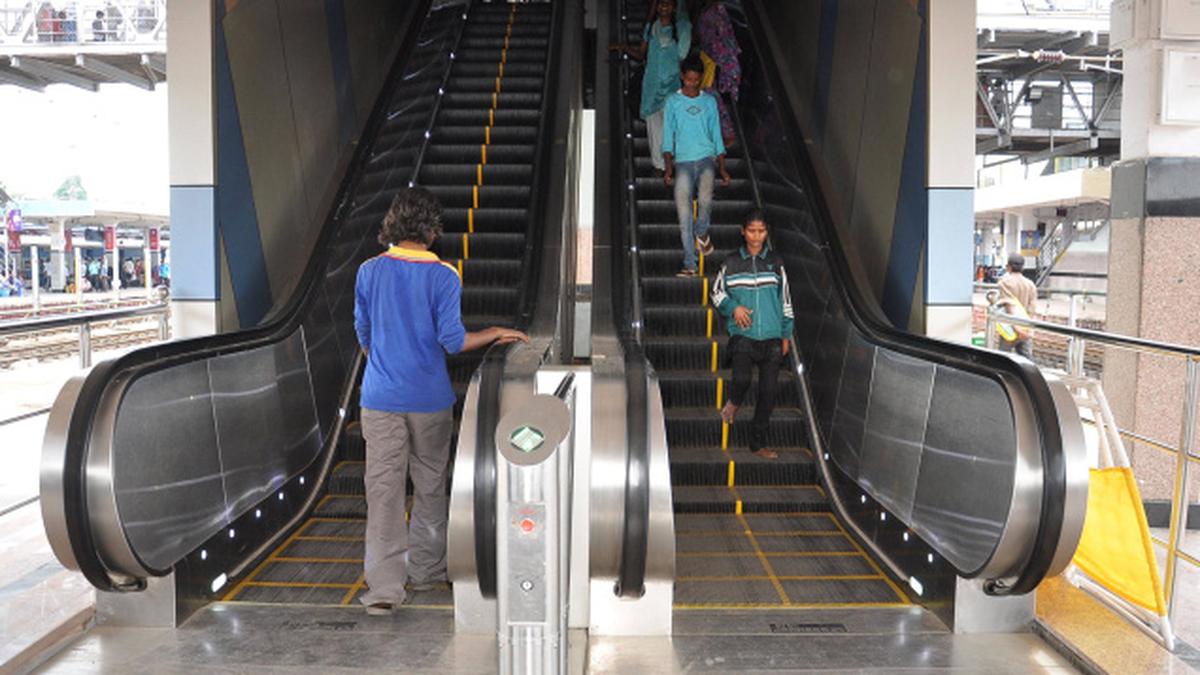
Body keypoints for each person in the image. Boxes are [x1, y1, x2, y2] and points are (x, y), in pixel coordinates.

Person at [354, 188, 529, 615]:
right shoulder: (444, 276)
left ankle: (384, 588)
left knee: (383, 490)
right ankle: (428, 570)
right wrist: (493, 332)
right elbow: (452, 341)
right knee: (430, 483)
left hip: (380, 399)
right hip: (429, 399)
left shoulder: (368, 271)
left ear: (393, 224)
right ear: (432, 228)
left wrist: (385, 363)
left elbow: (364, 335)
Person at [711, 210, 794, 460]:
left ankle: (757, 444)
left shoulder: (776, 263)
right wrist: (733, 307)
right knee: (742, 379)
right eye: (752, 231)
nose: (757, 236)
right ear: (743, 231)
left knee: (768, 393)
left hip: (771, 336)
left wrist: (785, 335)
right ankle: (733, 403)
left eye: (761, 231)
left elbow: (786, 300)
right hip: (743, 335)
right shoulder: (731, 262)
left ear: (767, 232)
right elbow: (716, 293)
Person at [663, 55, 730, 277]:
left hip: (706, 159)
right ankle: (690, 264)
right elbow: (667, 136)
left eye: (696, 80)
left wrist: (722, 167)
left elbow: (716, 135)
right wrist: (668, 167)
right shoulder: (673, 102)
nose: (692, 84)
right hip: (682, 161)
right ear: (682, 77)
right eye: (688, 79)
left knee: (705, 199)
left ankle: (701, 233)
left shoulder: (709, 102)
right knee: (683, 215)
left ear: (701, 79)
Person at [612, 0, 691, 175]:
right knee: (654, 126)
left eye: (668, 4)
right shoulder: (651, 28)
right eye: (661, 4)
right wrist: (624, 47)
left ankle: (673, 162)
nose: (664, 7)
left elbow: (682, 56)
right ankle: (659, 164)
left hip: (671, 84)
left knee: (671, 125)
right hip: (652, 85)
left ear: (674, 8)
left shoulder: (679, 29)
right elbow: (641, 55)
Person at [695, 0, 741, 148]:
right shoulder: (708, 8)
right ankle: (720, 133)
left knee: (711, 94)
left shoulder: (717, 10)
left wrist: (726, 63)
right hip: (709, 58)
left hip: (717, 59)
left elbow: (726, 36)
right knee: (709, 94)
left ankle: (727, 133)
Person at [996, 252, 1037, 359]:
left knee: (1003, 358)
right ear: (1022, 267)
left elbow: (1009, 306)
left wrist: (1017, 329)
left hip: (1010, 327)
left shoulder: (1004, 282)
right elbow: (1032, 310)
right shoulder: (1030, 284)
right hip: (1025, 327)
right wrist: (1028, 330)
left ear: (1008, 267)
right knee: (1027, 359)